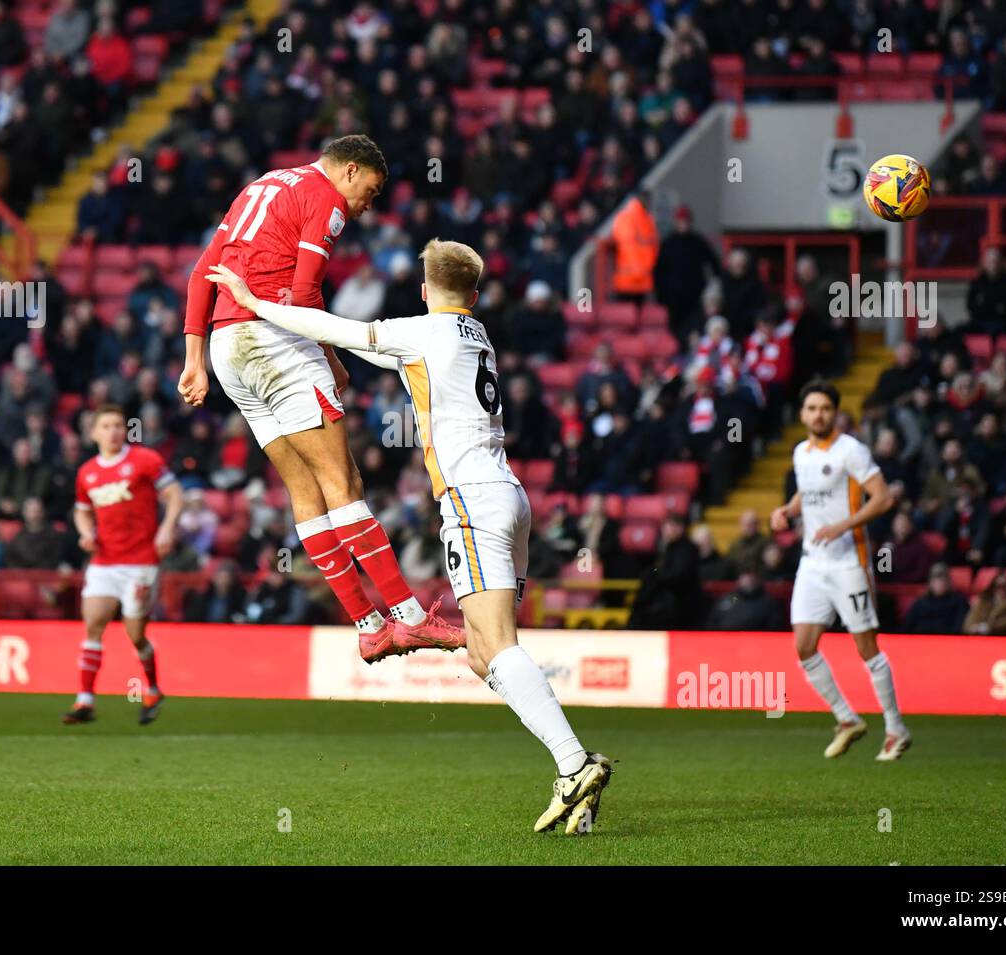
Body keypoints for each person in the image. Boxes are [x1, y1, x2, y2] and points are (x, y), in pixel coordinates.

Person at [210, 238, 612, 836]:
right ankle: (572, 781)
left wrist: (252, 303)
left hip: (470, 503)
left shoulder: (425, 332)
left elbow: (333, 326)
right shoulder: (478, 336)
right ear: (474, 294)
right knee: (484, 651)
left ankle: (575, 764)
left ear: (425, 292)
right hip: (510, 496)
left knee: (496, 646)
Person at [177, 135, 458, 659]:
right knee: (343, 482)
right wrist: (330, 359)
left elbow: (201, 274)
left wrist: (194, 360)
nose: (365, 206)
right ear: (350, 170)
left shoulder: (258, 187)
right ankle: (409, 616)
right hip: (275, 340)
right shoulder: (324, 198)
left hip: (226, 348)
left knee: (305, 492)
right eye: (369, 192)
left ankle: (368, 625)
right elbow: (305, 294)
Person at [771, 381, 911, 761]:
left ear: (835, 413)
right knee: (803, 646)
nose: (818, 414)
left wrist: (843, 525)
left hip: (850, 562)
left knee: (866, 648)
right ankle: (847, 719)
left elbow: (883, 498)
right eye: (812, 408)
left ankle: (896, 729)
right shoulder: (801, 453)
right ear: (802, 415)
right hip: (812, 563)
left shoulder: (852, 450)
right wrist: (787, 510)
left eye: (825, 408)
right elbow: (808, 493)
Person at [64, 405, 183, 726]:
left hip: (141, 561)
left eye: (118, 425)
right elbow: (81, 510)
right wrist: (86, 532)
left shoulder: (145, 460)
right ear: (94, 433)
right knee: (93, 625)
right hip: (104, 560)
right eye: (106, 426)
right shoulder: (87, 472)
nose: (114, 431)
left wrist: (167, 527)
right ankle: (85, 700)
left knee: (135, 635)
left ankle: (153, 688)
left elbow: (173, 494)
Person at [903, 563, 970, 634]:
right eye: (936, 580)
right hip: (920, 640)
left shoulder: (959, 602)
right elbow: (907, 627)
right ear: (930, 583)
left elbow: (958, 628)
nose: (940, 584)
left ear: (949, 582)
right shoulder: (920, 603)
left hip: (947, 640)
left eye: (943, 580)